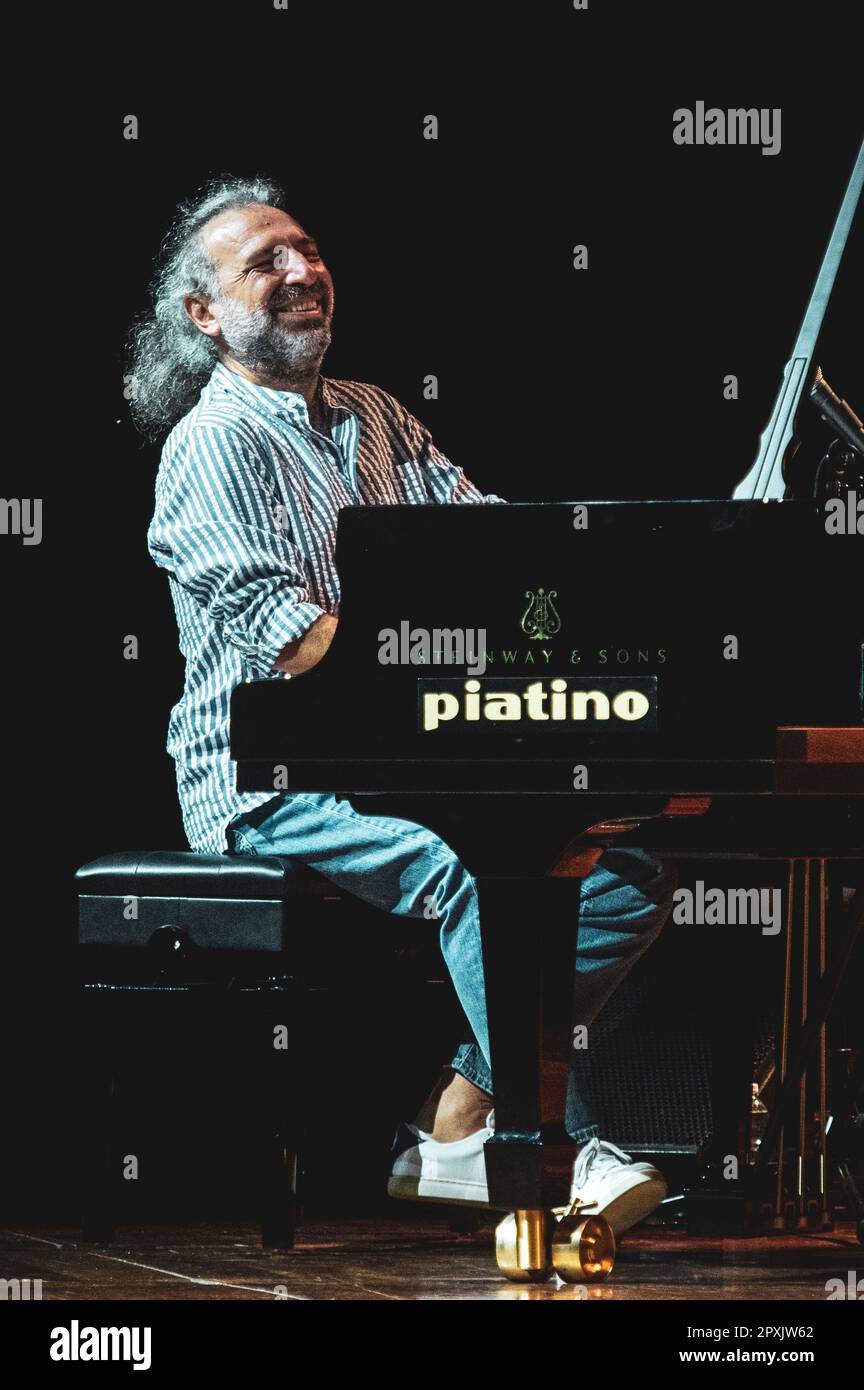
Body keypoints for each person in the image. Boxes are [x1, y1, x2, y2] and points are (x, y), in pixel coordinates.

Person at [135, 176, 677, 1234]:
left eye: (308, 249)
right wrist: (451, 690)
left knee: (624, 875)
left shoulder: (378, 413)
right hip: (267, 781)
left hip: (399, 761)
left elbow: (492, 544)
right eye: (266, 262)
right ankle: (557, 1152)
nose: (303, 271)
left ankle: (458, 1115)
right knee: (473, 864)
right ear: (204, 315)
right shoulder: (208, 447)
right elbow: (291, 638)